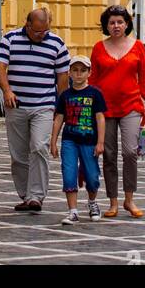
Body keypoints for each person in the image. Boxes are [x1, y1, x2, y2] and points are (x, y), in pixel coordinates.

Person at [0, 7, 69, 212]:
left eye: (45, 31)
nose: (41, 35)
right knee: (18, 154)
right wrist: (7, 91)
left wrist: (60, 106)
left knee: (39, 146)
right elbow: (0, 67)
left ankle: (36, 196)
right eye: (37, 31)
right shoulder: (10, 39)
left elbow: (63, 77)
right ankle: (26, 195)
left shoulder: (57, 44)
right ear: (27, 25)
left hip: (44, 105)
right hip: (16, 105)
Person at [89, 5, 145, 218]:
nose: (116, 26)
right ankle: (113, 202)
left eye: (120, 22)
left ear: (127, 24)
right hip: (104, 108)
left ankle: (129, 199)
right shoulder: (99, 48)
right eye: (112, 23)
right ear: (106, 26)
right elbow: (92, 79)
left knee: (130, 151)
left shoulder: (137, 47)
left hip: (131, 105)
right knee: (109, 155)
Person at [50, 55, 107, 225]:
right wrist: (53, 141)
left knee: (92, 176)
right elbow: (59, 118)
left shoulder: (95, 94)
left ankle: (92, 202)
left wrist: (101, 142)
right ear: (69, 73)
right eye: (75, 70)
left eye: (83, 70)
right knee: (69, 174)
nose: (79, 74)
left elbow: (100, 118)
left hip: (89, 141)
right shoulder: (65, 95)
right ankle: (73, 211)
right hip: (70, 141)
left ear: (89, 73)